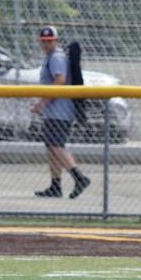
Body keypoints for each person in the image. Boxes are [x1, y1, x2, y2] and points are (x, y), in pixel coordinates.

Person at [32, 26, 92, 199]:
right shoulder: (51, 57)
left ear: (56, 41)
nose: (46, 44)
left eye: (49, 41)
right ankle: (55, 186)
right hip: (54, 112)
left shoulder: (56, 58)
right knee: (51, 148)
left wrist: (42, 103)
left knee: (56, 146)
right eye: (43, 41)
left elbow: (60, 80)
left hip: (60, 111)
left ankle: (79, 177)